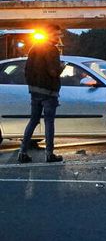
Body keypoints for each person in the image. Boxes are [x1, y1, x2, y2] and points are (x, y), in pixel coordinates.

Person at [18, 27, 65, 164]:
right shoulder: (52, 50)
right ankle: (49, 154)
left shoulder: (34, 48)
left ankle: (23, 152)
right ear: (51, 35)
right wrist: (62, 67)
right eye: (57, 35)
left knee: (33, 121)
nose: (59, 38)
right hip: (49, 92)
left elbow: (26, 69)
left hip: (35, 91)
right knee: (49, 122)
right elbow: (53, 72)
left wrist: (32, 85)